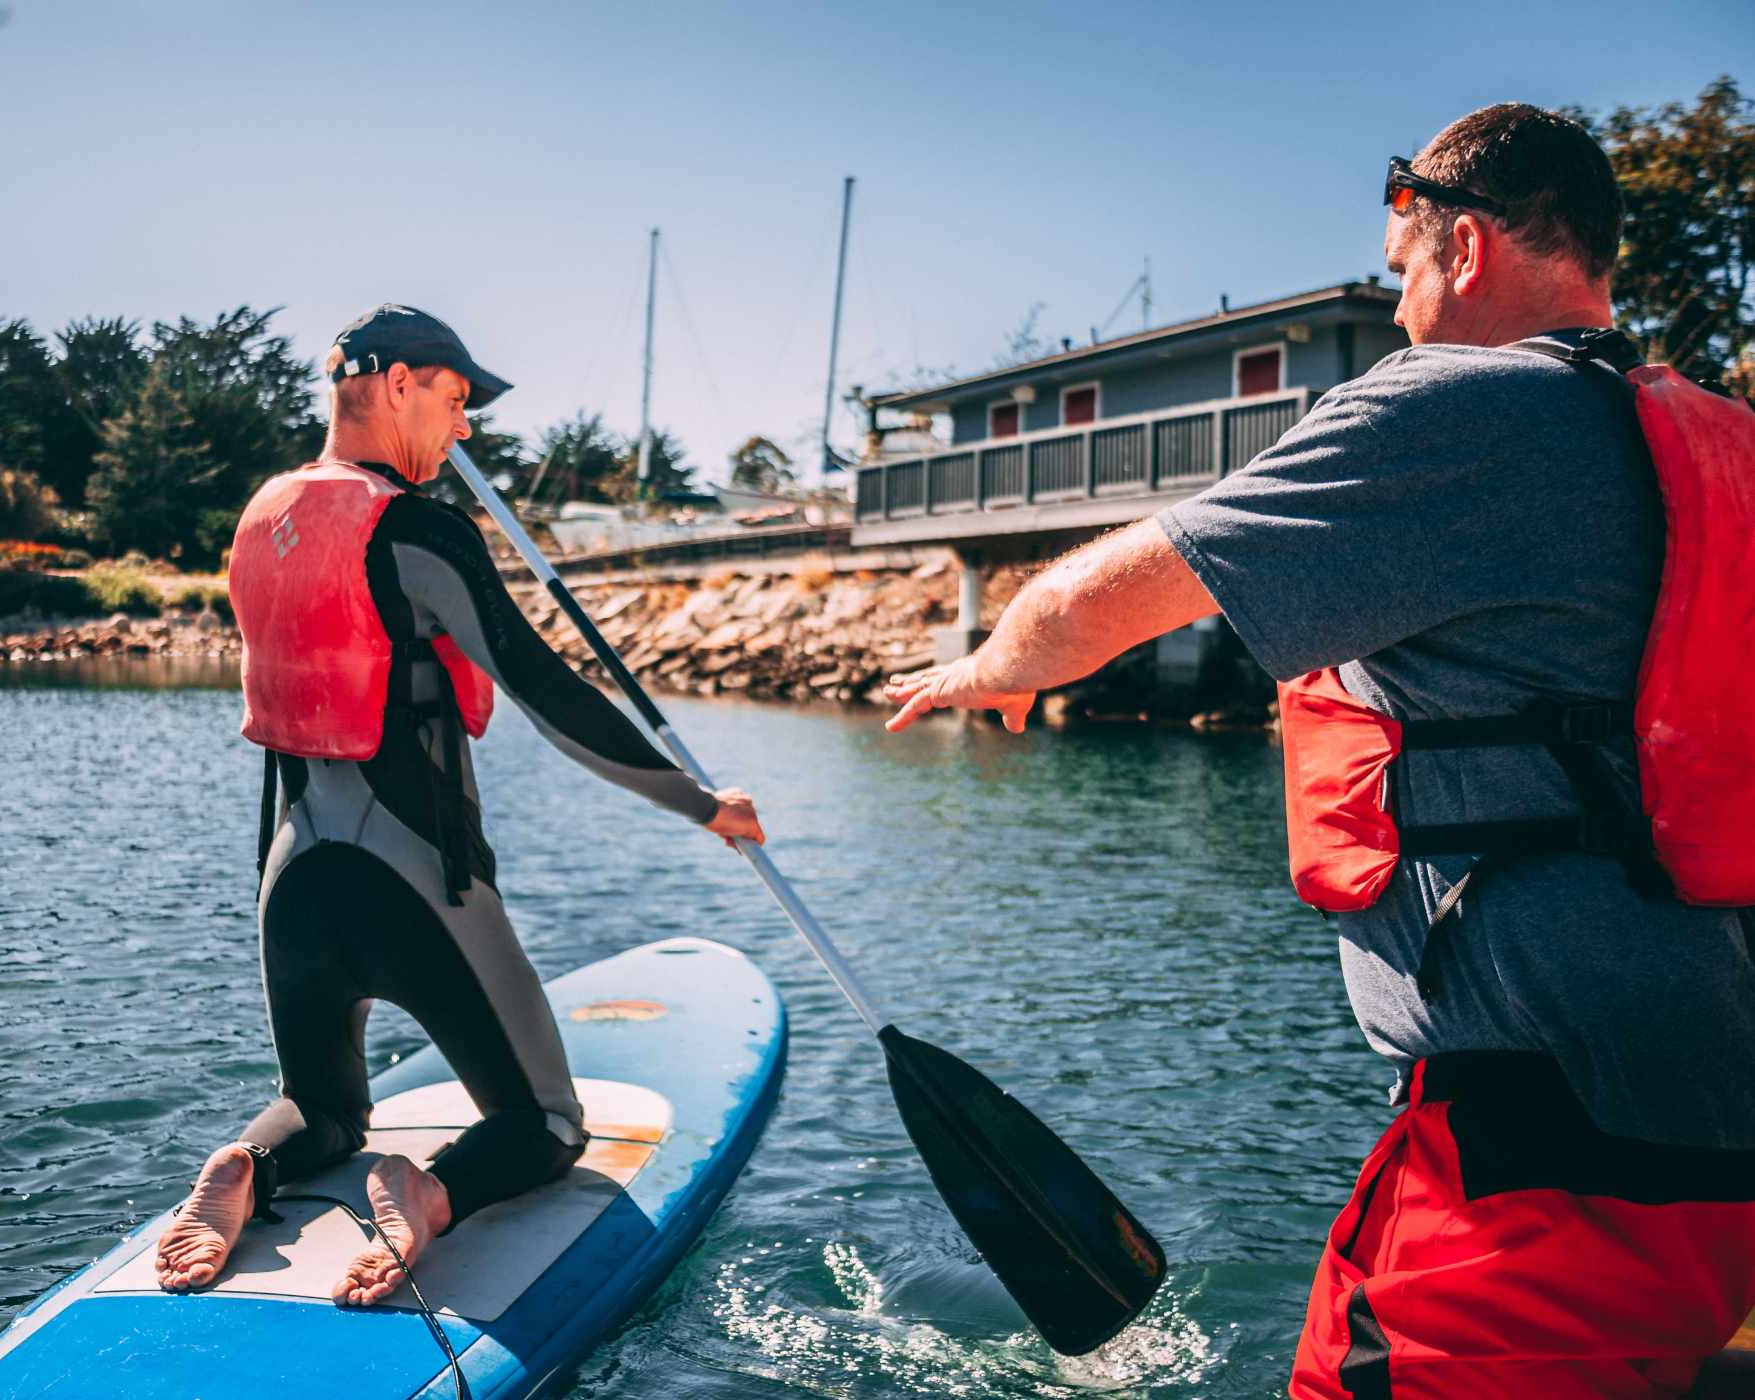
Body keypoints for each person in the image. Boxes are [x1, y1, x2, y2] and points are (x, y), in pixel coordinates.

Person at [883, 104, 1755, 1397]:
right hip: (1702, 1111)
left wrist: (992, 665)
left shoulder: (1463, 402)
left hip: (1544, 1150)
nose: (1399, 313)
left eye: (1400, 273)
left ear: (1459, 248)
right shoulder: (1714, 445)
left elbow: (1102, 600)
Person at [153, 305, 764, 1307]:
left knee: (324, 1112)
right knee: (545, 1125)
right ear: (395, 384)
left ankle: (246, 1165)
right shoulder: (413, 525)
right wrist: (699, 802)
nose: (465, 426)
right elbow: (547, 693)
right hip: (414, 883)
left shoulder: (263, 513)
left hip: (292, 879)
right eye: (453, 397)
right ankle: (432, 1192)